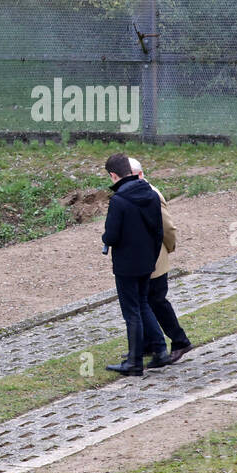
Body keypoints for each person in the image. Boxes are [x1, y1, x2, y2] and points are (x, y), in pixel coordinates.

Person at [102, 152, 166, 376]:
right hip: (148, 260)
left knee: (132, 313)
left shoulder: (118, 201)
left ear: (113, 175)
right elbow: (159, 230)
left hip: (127, 266)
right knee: (143, 305)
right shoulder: (150, 193)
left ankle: (134, 362)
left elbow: (111, 236)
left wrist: (105, 241)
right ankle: (159, 348)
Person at [129, 157, 193, 364]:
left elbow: (168, 228)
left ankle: (180, 341)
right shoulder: (136, 193)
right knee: (145, 302)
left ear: (139, 174)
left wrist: (169, 248)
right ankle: (150, 344)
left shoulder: (152, 194)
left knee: (156, 301)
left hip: (156, 259)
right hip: (147, 259)